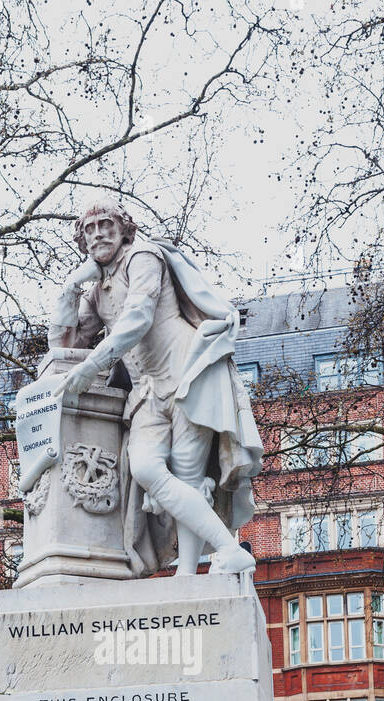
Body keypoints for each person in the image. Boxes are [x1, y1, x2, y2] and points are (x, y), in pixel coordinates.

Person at [43, 201, 263, 578]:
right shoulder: (97, 292)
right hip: (146, 391)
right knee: (145, 467)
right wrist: (70, 288)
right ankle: (229, 548)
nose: (98, 233)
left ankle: (188, 575)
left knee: (188, 476)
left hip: (188, 375)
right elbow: (64, 342)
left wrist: (93, 365)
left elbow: (138, 317)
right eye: (89, 228)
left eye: (106, 224)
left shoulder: (143, 257)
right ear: (81, 239)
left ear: (123, 229)